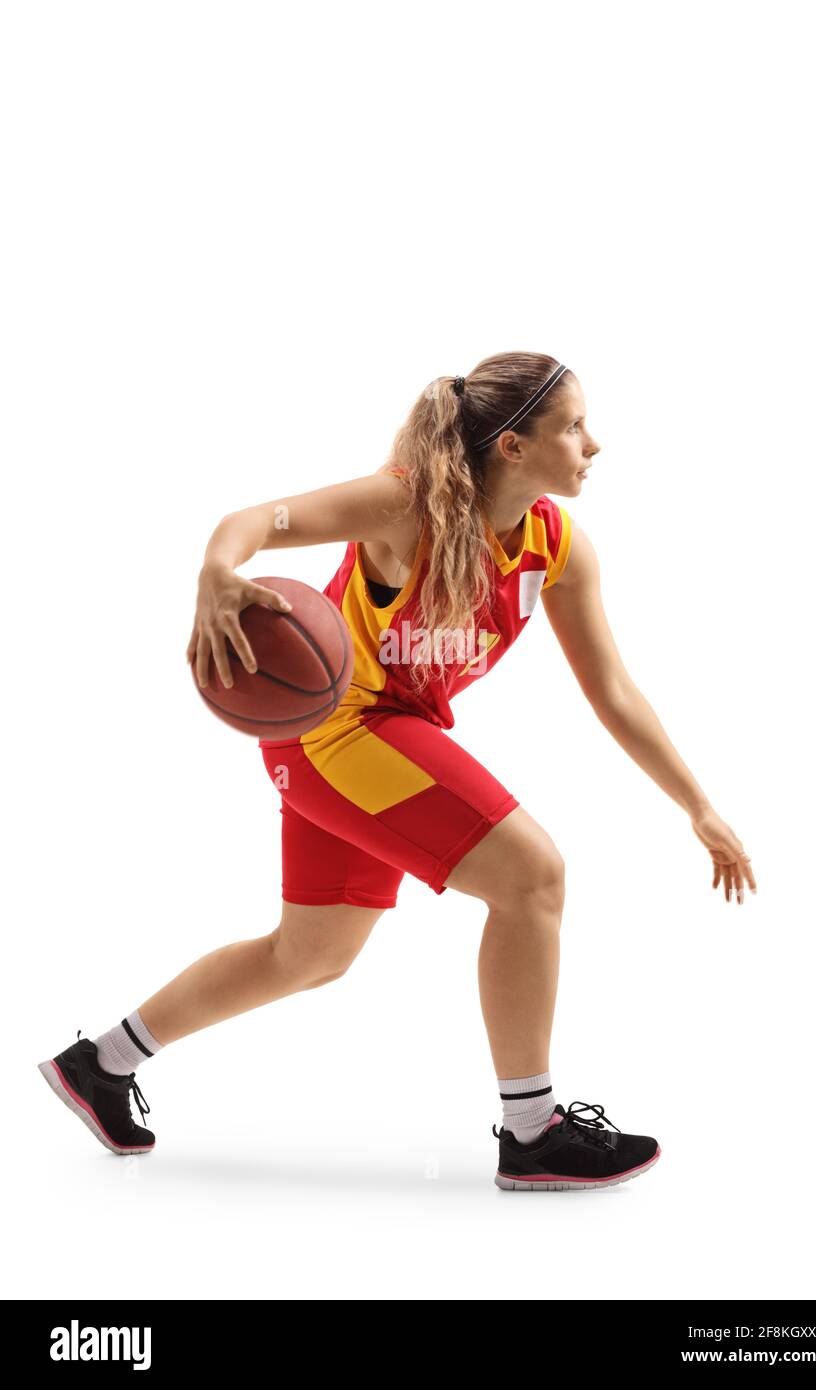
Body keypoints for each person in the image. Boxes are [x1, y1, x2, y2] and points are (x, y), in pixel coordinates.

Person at [37, 351, 756, 1191]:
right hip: (332, 733)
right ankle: (532, 1131)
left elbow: (615, 692)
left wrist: (697, 806)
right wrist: (216, 574)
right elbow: (256, 520)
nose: (593, 444)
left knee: (307, 955)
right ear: (515, 446)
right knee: (532, 877)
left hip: (382, 737)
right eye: (573, 427)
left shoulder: (558, 548)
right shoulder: (404, 506)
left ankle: (99, 1064)